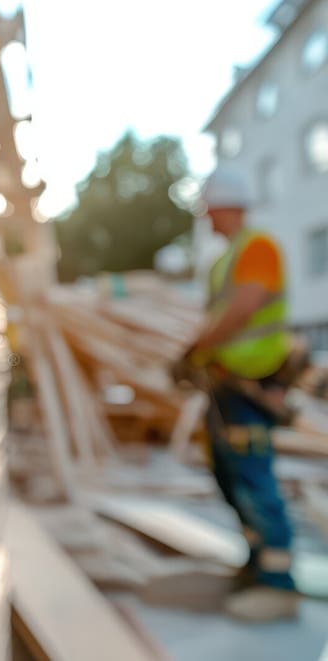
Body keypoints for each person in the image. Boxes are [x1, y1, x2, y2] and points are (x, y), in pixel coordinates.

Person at [180, 166, 299, 621]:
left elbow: (243, 310)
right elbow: (221, 318)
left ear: (223, 204)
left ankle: (278, 583)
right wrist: (199, 356)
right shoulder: (226, 259)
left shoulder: (257, 249)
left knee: (254, 476)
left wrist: (197, 348)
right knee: (232, 477)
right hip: (228, 385)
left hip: (253, 384)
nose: (205, 215)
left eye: (208, 206)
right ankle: (256, 561)